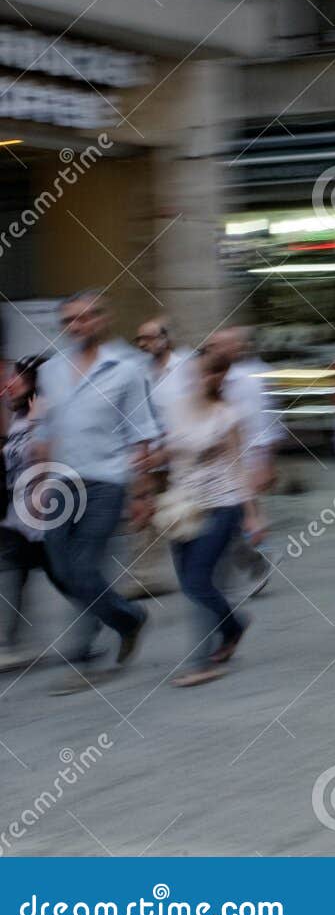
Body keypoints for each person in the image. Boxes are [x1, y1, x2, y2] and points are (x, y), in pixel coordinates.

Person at [35, 289, 160, 693]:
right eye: (70, 319)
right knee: (59, 567)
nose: (78, 325)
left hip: (107, 481)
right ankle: (128, 618)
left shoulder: (126, 368)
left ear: (102, 319)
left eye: (86, 317)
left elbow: (141, 434)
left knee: (85, 567)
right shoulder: (52, 369)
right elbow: (46, 426)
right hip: (60, 483)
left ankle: (85, 651)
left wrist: (143, 494)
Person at [160, 349, 260, 687]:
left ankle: (202, 662)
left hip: (221, 505)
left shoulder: (228, 415)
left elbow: (239, 467)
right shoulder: (175, 409)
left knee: (197, 581)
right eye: (196, 372)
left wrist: (251, 515)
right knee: (190, 585)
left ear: (218, 377)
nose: (200, 379)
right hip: (181, 508)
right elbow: (169, 454)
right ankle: (234, 626)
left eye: (208, 373)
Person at [0, 355, 70, 672]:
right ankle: (9, 644)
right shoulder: (16, 417)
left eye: (17, 379)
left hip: (45, 516)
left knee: (64, 577)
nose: (9, 385)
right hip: (16, 517)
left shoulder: (48, 417)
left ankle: (106, 615)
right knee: (12, 573)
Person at [122, 316, 192, 599]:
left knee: (197, 512)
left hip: (183, 455)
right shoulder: (138, 373)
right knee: (148, 514)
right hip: (151, 458)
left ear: (166, 339)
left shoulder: (186, 368)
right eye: (139, 339)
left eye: (148, 338)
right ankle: (143, 577)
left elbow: (190, 415)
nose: (142, 344)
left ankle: (248, 559)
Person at [209, 327, 281, 600]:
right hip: (214, 462)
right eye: (211, 345)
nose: (214, 350)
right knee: (227, 523)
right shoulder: (208, 377)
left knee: (232, 522)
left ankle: (252, 564)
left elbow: (263, 422)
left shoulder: (251, 380)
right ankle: (253, 562)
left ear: (237, 347)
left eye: (220, 345)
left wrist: (264, 463)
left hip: (244, 460)